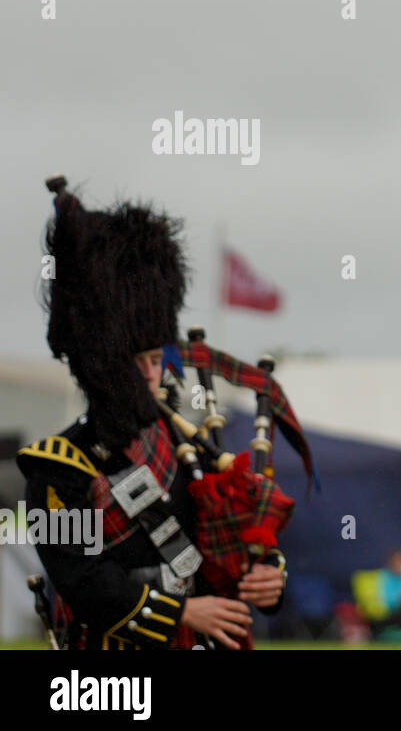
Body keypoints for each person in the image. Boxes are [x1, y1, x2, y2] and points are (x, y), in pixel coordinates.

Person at [16, 179, 286, 649]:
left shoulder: (186, 446)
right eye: (134, 361)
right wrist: (181, 610)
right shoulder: (55, 468)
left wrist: (267, 573)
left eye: (155, 359)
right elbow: (79, 578)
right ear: (99, 363)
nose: (150, 373)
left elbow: (227, 544)